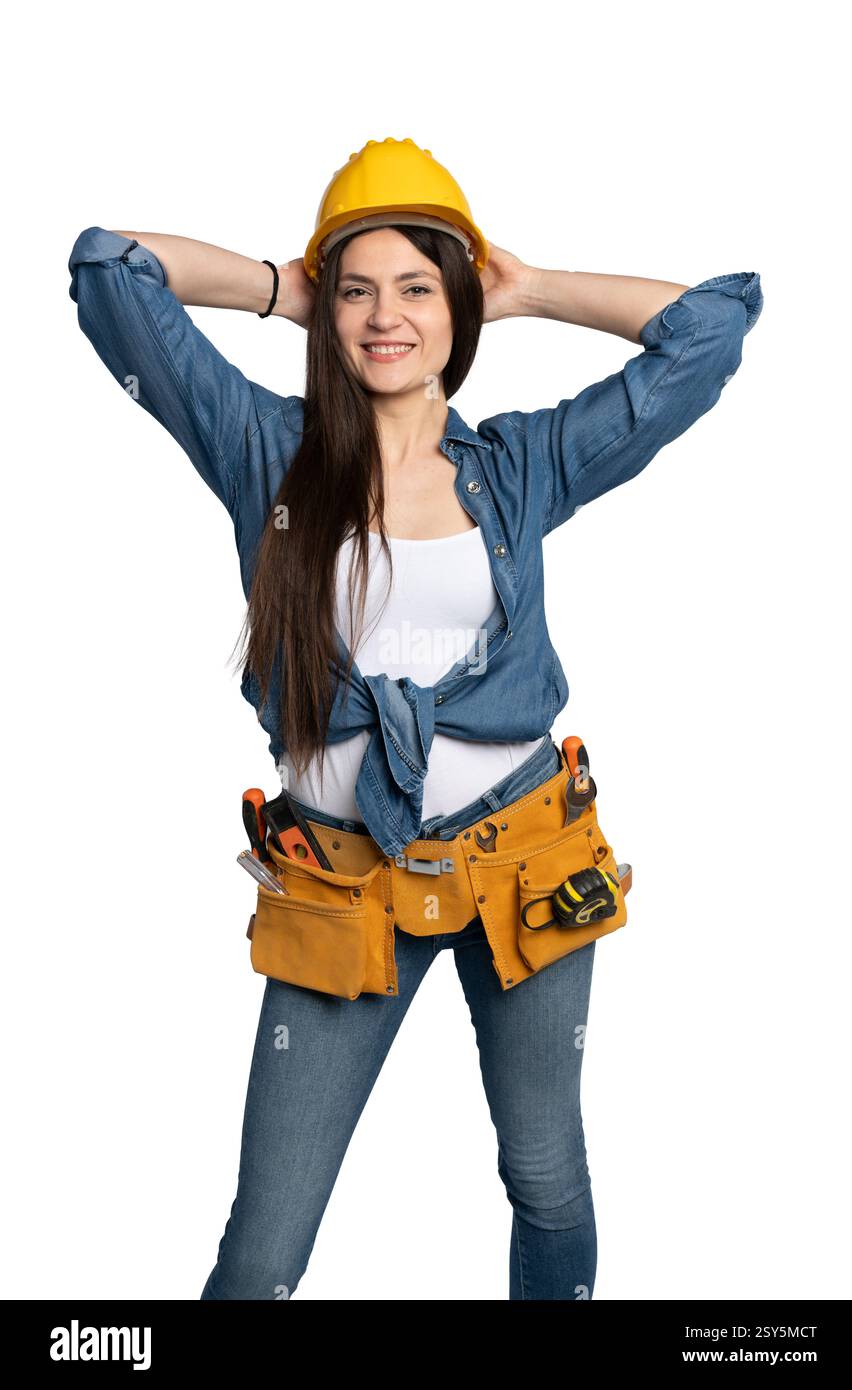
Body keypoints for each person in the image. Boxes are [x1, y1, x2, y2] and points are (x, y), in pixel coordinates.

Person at [68, 137, 763, 1300]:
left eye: (417, 287)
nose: (385, 317)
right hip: (341, 889)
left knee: (548, 1176)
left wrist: (529, 289)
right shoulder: (265, 453)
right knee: (264, 1247)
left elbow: (715, 328)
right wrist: (285, 288)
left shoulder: (524, 464)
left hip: (526, 862)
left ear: (460, 302)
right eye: (358, 289)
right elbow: (107, 273)